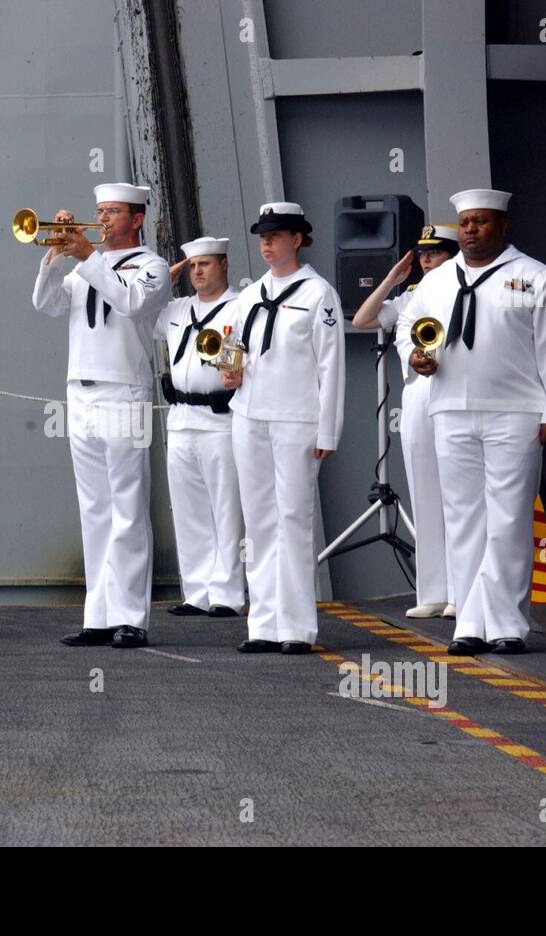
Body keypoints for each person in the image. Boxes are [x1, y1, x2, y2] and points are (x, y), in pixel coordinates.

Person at [409, 189, 546, 655]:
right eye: (464, 222)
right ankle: (468, 619)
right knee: (463, 517)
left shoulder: (535, 277)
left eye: (480, 221)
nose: (469, 230)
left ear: (502, 226)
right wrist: (417, 357)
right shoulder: (438, 281)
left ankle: (506, 623)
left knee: (508, 517)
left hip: (517, 410)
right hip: (450, 408)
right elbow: (414, 329)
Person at [32, 183, 171, 648]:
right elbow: (46, 304)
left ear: (136, 219)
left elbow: (131, 302)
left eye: (113, 212)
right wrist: (54, 255)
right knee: (94, 509)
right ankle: (99, 613)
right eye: (99, 211)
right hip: (82, 391)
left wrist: (87, 255)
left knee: (128, 507)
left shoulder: (150, 267)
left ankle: (131, 615)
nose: (104, 218)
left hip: (124, 391)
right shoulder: (82, 268)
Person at [221, 203, 345, 654]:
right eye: (262, 235)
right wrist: (228, 373)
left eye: (277, 234)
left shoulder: (318, 294)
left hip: (296, 418)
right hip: (250, 414)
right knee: (258, 522)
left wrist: (327, 431)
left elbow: (331, 367)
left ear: (297, 239)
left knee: (293, 518)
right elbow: (233, 349)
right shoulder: (249, 294)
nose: (267, 243)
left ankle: (295, 626)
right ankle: (264, 623)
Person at [351, 224, 459, 619]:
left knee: (457, 495)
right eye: (422, 253)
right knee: (425, 491)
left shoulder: (462, 292)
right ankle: (433, 590)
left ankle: (461, 593)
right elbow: (362, 319)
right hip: (416, 395)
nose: (426, 259)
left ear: (451, 255)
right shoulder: (410, 296)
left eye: (435, 252)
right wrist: (392, 279)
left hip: (451, 389)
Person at [155, 236, 245, 618]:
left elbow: (241, 357)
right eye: (192, 266)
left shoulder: (241, 306)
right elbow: (139, 312)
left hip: (219, 417)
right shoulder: (174, 310)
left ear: (224, 265)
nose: (197, 272)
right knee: (188, 509)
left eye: (205, 264)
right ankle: (197, 591)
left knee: (226, 508)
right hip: (181, 417)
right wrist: (165, 276)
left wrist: (226, 359)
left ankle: (227, 593)